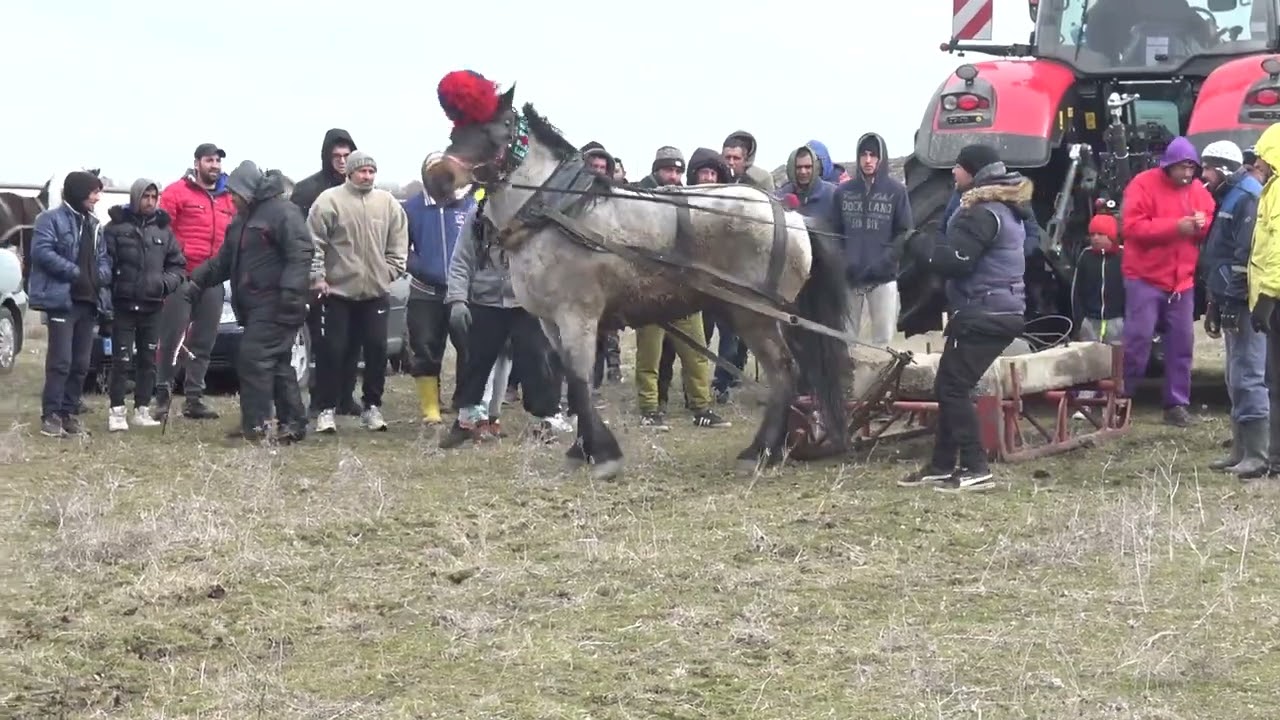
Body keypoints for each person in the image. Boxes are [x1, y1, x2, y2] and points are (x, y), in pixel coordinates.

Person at [899, 144, 1030, 492]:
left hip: (984, 312)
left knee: (952, 387)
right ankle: (942, 466)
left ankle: (975, 467)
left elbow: (955, 260)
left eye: (957, 167)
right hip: (995, 309)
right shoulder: (1004, 209)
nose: (953, 173)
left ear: (973, 172)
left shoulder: (982, 212)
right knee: (950, 385)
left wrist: (917, 244)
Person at [186, 161, 314, 443]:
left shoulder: (282, 212)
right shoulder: (242, 220)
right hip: (257, 304)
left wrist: (292, 294)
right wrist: (195, 281)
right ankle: (292, 423)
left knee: (253, 359)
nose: (231, 198)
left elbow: (301, 252)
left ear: (248, 191)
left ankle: (256, 426)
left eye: (234, 193)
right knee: (277, 363)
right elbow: (223, 262)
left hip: (277, 301)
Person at [440, 199, 573, 448]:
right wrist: (457, 299)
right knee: (475, 361)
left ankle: (545, 421)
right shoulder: (477, 218)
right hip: (485, 300)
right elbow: (461, 260)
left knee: (537, 357)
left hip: (527, 302)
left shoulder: (537, 219)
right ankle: (466, 421)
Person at [308, 151, 409, 433]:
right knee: (333, 351)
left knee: (377, 349)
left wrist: (389, 271)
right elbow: (314, 242)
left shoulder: (387, 203)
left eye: (371, 172)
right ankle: (326, 409)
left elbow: (399, 242)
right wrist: (318, 277)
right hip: (337, 293)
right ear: (349, 173)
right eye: (362, 171)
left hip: (375, 292)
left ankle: (372, 407)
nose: (367, 176)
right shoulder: (329, 201)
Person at [632, 146, 731, 431]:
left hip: (684, 292)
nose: (673, 176)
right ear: (656, 170)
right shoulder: (638, 199)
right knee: (649, 357)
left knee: (697, 354)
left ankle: (701, 407)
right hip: (650, 292)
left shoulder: (687, 198)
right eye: (668, 170)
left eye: (677, 171)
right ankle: (650, 410)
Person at [1119, 136, 1215, 427]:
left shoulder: (1198, 191)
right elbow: (1132, 227)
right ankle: (1122, 396)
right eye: (1182, 168)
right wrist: (1176, 227)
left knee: (1182, 344)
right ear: (1168, 165)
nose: (1187, 174)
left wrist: (1202, 224)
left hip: (1181, 281)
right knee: (1137, 340)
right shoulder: (1142, 184)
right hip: (1144, 277)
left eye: (1191, 168)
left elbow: (1208, 215)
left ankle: (1176, 403)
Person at [154, 143, 236, 421]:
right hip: (183, 276)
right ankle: (162, 395)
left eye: (218, 161)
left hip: (212, 277)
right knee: (173, 338)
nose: (214, 166)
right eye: (209, 160)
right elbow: (161, 231)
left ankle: (194, 398)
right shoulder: (176, 192)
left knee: (205, 340)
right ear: (197, 162)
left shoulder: (229, 198)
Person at [29, 171, 111, 438]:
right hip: (62, 301)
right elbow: (41, 251)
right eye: (94, 192)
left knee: (81, 364)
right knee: (60, 362)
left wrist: (99, 277)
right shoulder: (49, 220)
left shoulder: (95, 225)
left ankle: (68, 413)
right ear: (79, 192)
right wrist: (75, 272)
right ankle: (51, 416)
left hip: (89, 303)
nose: (98, 198)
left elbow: (103, 260)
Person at [102, 179, 187, 432]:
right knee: (122, 359)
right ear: (135, 197)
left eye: (154, 197)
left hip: (152, 305)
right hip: (124, 304)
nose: (150, 202)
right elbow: (104, 262)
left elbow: (177, 264)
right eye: (145, 196)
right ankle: (117, 411)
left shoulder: (164, 231)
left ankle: (141, 408)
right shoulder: (115, 228)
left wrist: (164, 284)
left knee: (148, 360)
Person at [292, 128, 363, 418]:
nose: (342, 161)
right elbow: (298, 236)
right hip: (321, 279)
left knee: (352, 342)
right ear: (327, 157)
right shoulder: (308, 190)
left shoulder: (363, 188)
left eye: (347, 155)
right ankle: (321, 400)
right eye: (337, 156)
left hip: (356, 277)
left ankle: (345, 397)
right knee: (324, 345)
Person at [1203, 155, 1268, 476]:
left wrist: (1235, 297)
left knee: (1249, 374)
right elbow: (1220, 254)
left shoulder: (1247, 197)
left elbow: (1245, 254)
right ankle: (1240, 449)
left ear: (1224, 168)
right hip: (1229, 294)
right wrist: (1215, 300)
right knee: (1234, 375)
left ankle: (1258, 454)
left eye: (1208, 168)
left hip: (1242, 299)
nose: (1204, 174)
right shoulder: (1230, 195)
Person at [403, 152, 475, 424]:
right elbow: (401, 248)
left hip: (463, 293)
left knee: (469, 348)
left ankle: (464, 401)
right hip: (425, 292)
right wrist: (421, 267)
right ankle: (431, 407)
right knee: (425, 348)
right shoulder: (411, 208)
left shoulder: (468, 205)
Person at [832, 132, 913, 348]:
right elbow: (834, 232)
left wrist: (886, 260)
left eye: (873, 155)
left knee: (883, 341)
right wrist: (843, 261)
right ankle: (848, 382)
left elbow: (905, 231)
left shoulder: (897, 191)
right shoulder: (843, 192)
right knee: (846, 339)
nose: (868, 160)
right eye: (864, 155)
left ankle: (879, 381)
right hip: (850, 278)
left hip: (883, 277)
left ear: (882, 158)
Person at [1248, 122, 1280, 479]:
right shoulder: (1270, 190)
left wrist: (1268, 295)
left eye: (1262, 156)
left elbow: (1277, 250)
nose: (1259, 163)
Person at [1073, 213, 1125, 345]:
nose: (1095, 238)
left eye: (1100, 234)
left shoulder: (1125, 256)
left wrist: (1128, 320)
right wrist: (1080, 321)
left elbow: (1133, 292)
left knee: (1117, 362)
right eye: (1092, 234)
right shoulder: (1085, 256)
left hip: (1117, 321)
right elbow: (1076, 291)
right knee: (1091, 362)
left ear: (1111, 235)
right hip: (1090, 322)